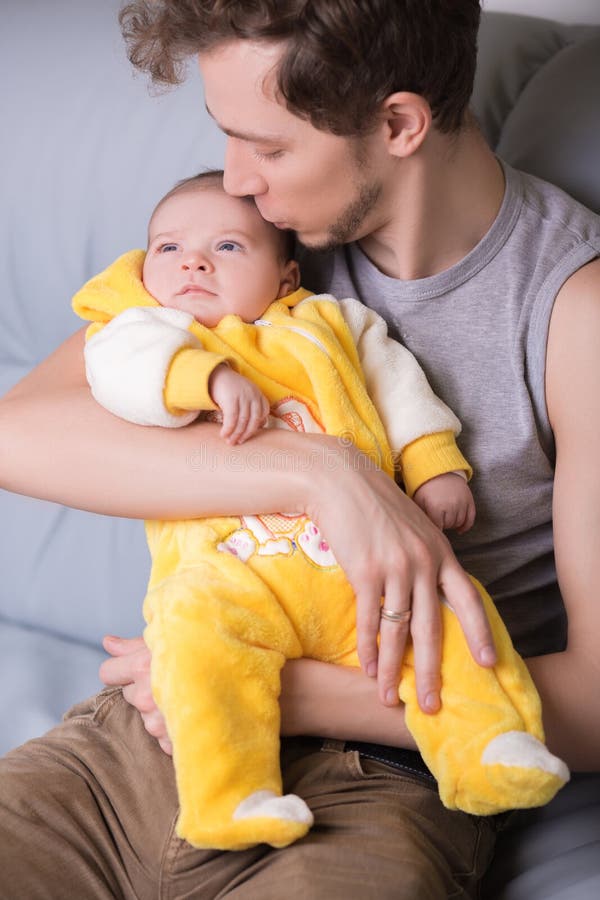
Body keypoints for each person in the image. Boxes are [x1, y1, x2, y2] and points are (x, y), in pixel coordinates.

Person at [0, 0, 598, 896]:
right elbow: (19, 431)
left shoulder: (570, 317)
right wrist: (321, 472)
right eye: (229, 139)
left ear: (399, 123)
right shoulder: (243, 245)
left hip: (385, 780)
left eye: (269, 148)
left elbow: (597, 700)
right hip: (133, 750)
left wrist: (278, 688)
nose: (238, 182)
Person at [74, 169, 566, 849]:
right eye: (168, 249)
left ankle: (490, 752)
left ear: (285, 278)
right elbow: (121, 372)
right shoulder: (147, 330)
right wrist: (206, 377)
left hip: (359, 580)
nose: (192, 261)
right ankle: (232, 795)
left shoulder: (332, 324)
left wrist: (433, 466)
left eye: (227, 248)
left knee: (449, 619)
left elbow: (400, 391)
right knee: (195, 638)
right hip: (232, 577)